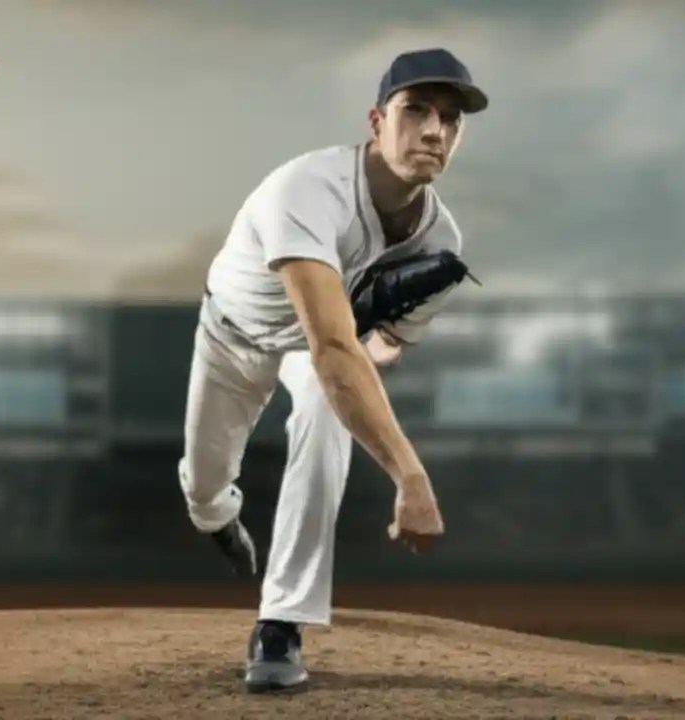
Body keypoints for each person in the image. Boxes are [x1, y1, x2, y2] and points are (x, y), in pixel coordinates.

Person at [176, 47, 489, 693]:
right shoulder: (308, 189)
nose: (435, 129)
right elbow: (334, 347)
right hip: (231, 337)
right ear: (377, 120)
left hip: (315, 349)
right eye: (417, 111)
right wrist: (411, 475)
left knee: (329, 413)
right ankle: (215, 517)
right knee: (203, 485)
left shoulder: (441, 245)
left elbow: (375, 352)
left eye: (452, 119)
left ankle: (281, 620)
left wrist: (369, 340)